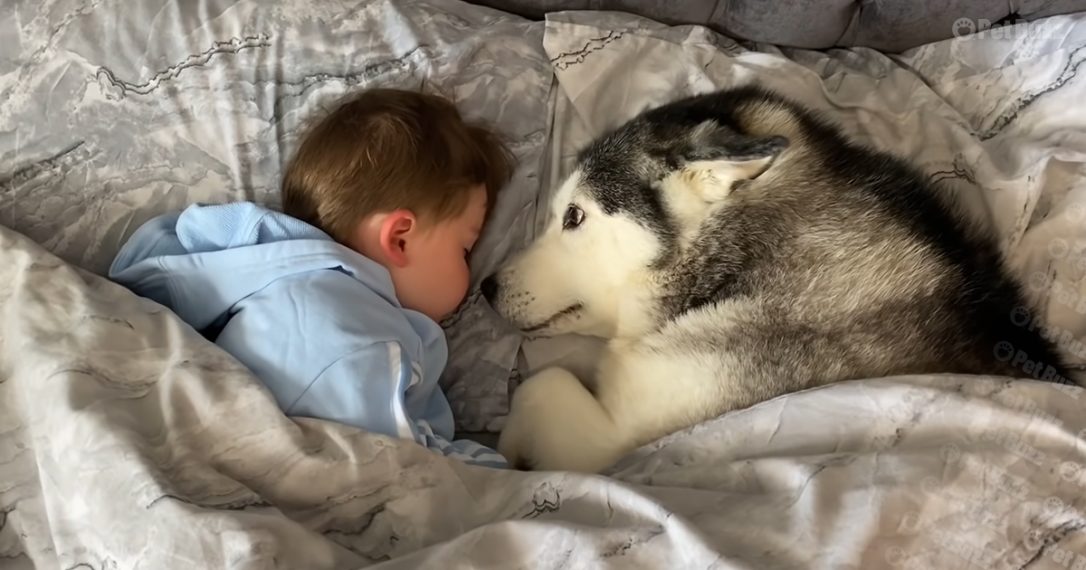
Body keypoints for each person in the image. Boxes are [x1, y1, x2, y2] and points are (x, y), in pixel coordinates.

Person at [109, 88, 514, 467]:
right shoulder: (348, 329)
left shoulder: (290, 293)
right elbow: (398, 473)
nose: (471, 272)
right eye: (464, 250)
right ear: (400, 239)